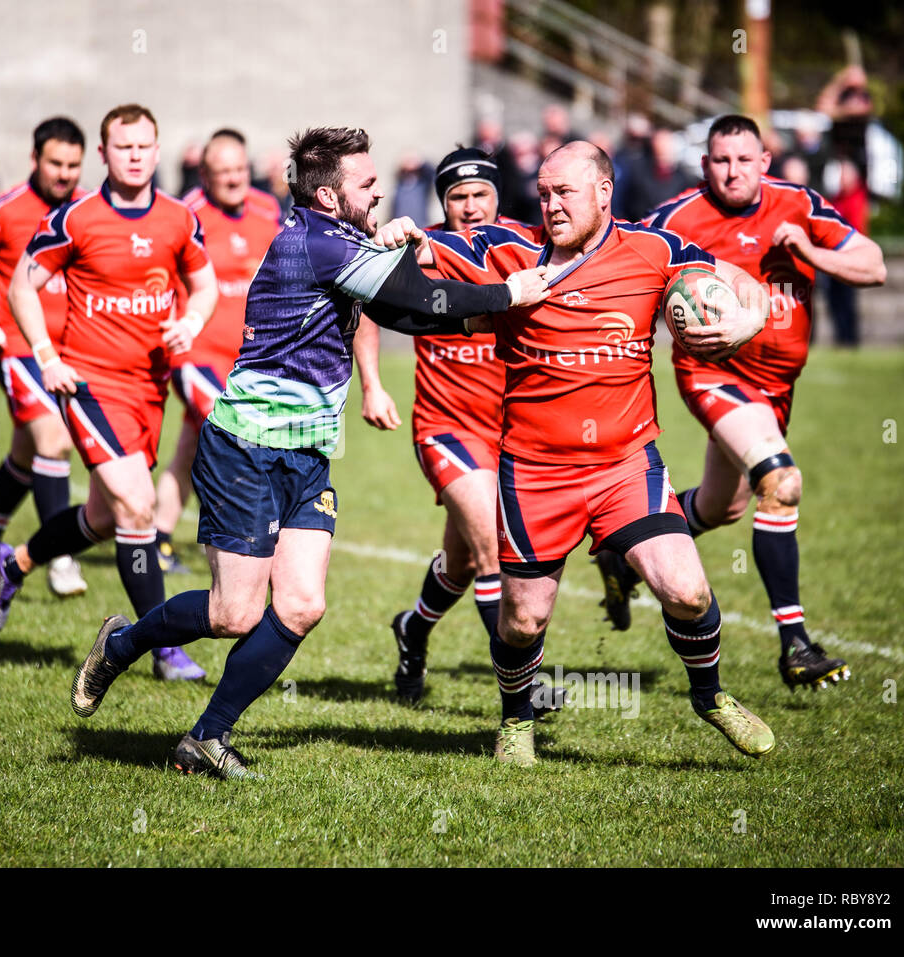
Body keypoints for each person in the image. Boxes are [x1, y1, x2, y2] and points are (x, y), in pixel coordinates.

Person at [66, 126, 550, 780]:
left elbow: (407, 307)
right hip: (247, 449)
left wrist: (431, 272)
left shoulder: (338, 236)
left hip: (306, 453)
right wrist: (505, 296)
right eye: (367, 184)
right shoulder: (317, 243)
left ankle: (206, 736)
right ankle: (121, 644)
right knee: (232, 613)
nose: (380, 190)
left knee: (300, 605)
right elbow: (415, 304)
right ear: (328, 194)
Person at [381, 141, 776, 766]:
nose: (551, 205)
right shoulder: (505, 250)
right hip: (535, 473)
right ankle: (515, 719)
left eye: (563, 192)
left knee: (687, 590)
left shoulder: (654, 250)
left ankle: (710, 697)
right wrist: (404, 233)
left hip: (627, 464)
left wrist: (747, 323)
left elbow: (732, 277)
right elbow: (425, 250)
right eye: (542, 193)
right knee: (522, 621)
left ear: (603, 191)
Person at [600, 114, 886, 692]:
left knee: (719, 507)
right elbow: (617, 257)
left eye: (743, 159)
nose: (732, 171)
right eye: (720, 160)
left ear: (765, 162)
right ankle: (796, 644)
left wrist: (810, 251)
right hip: (713, 376)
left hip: (777, 387)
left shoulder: (799, 205)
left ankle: (620, 550)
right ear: (705, 164)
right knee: (780, 481)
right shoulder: (676, 217)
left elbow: (874, 266)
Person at [0, 104, 217, 681]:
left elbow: (205, 285)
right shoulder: (76, 219)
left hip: (148, 391)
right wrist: (46, 357)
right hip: (87, 386)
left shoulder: (177, 219)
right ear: (104, 154)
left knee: (102, 517)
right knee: (138, 506)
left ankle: (14, 564)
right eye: (123, 147)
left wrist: (189, 324)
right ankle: (162, 648)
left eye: (144, 147)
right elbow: (22, 287)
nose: (135, 156)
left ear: (157, 152)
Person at [353, 146, 563, 712]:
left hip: (514, 433)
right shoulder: (423, 248)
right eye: (457, 197)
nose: (469, 207)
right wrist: (372, 384)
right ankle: (524, 688)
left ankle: (412, 628)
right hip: (445, 428)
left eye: (479, 195)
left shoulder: (530, 244)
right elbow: (366, 305)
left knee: (464, 561)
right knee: (496, 552)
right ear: (442, 202)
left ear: (498, 196)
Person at [0, 117, 89, 602]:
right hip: (19, 348)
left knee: (27, 454)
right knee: (54, 439)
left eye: (73, 164)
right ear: (35, 159)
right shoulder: (5, 210)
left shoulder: (87, 209)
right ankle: (61, 555)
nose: (64, 174)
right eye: (55, 163)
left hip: (71, 353)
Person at [154, 128, 282, 581]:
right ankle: (241, 539)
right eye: (223, 171)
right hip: (196, 355)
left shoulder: (269, 210)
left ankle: (157, 537)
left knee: (190, 446)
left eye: (240, 169)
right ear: (204, 174)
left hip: (247, 360)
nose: (233, 179)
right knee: (232, 433)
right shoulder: (185, 214)